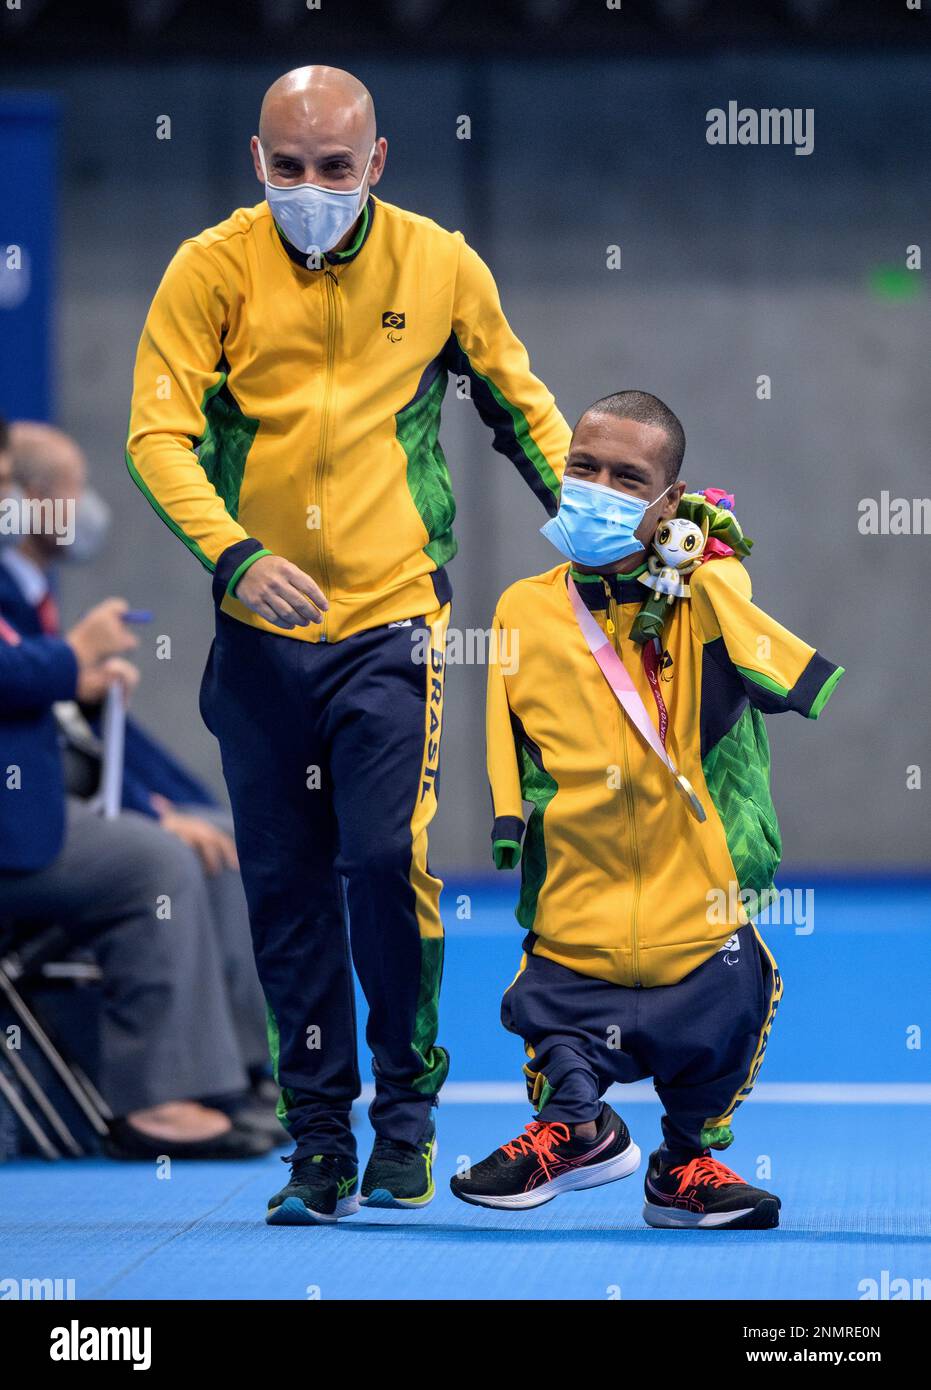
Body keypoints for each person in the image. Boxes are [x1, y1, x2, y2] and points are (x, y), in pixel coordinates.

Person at [126, 65, 570, 1222]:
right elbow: (156, 433)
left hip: (392, 627)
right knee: (285, 890)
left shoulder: (439, 263)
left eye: (334, 167)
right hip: (260, 641)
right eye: (288, 167)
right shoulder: (209, 270)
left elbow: (522, 408)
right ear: (256, 163)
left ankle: (406, 1116)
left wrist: (606, 526)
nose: (310, 187)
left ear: (375, 163)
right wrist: (231, 554)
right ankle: (318, 1140)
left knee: (383, 862)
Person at [450, 390, 844, 1229]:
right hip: (576, 882)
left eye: (628, 478)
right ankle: (576, 1128)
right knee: (552, 1002)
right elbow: (499, 725)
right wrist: (507, 818)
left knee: (725, 1000)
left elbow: (764, 654)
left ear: (669, 501)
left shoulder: (703, 592)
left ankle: (683, 1163)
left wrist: (710, 560)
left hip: (692, 886)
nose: (597, 486)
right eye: (583, 468)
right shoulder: (523, 606)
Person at [0, 417, 276, 1159]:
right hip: (22, 829)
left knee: (213, 836)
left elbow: (71, 731)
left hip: (40, 806)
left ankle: (246, 1073)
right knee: (154, 862)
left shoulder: (30, 595)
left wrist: (158, 801)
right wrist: (72, 662)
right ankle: (160, 1099)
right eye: (71, 489)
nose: (86, 506)